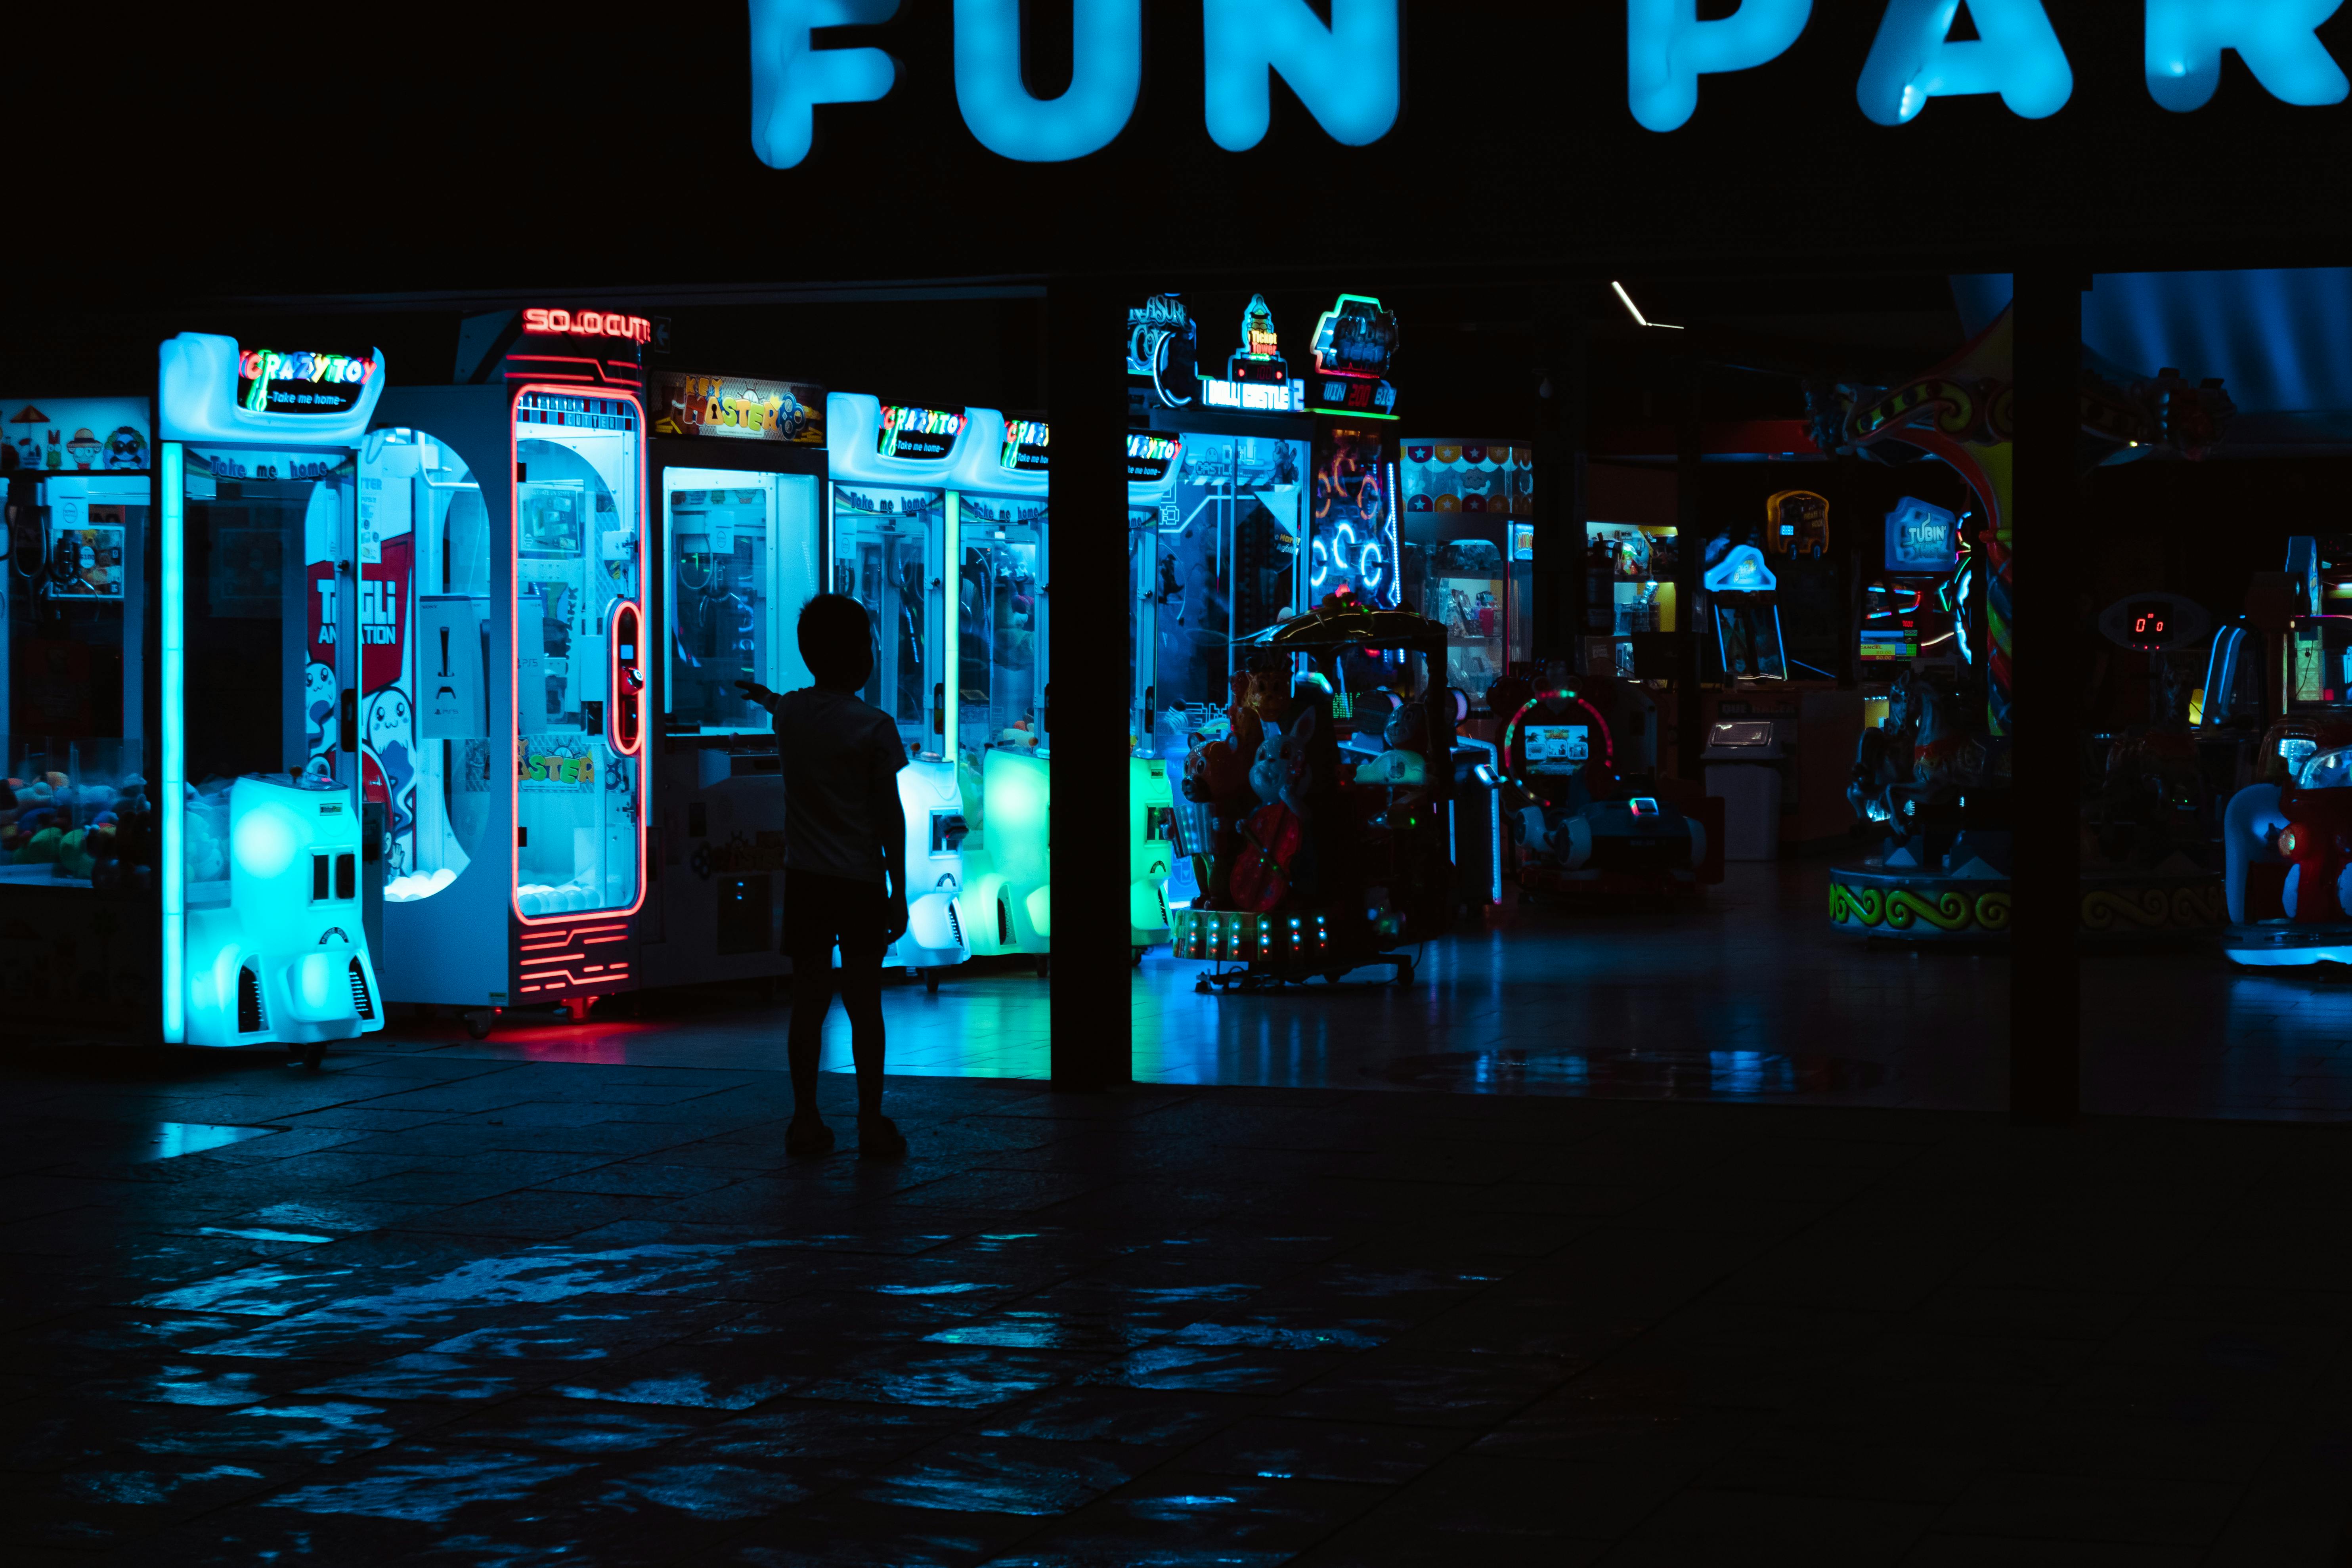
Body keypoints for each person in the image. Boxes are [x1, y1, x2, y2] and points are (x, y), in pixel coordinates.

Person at [738, 595, 911, 1160]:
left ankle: (805, 1116)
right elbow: (890, 817)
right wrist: (899, 891)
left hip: (806, 879)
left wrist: (760, 694)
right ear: (862, 655)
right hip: (859, 882)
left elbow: (779, 703)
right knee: (865, 1006)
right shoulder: (875, 728)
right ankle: (868, 1118)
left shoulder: (790, 715)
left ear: (808, 652)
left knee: (807, 1004)